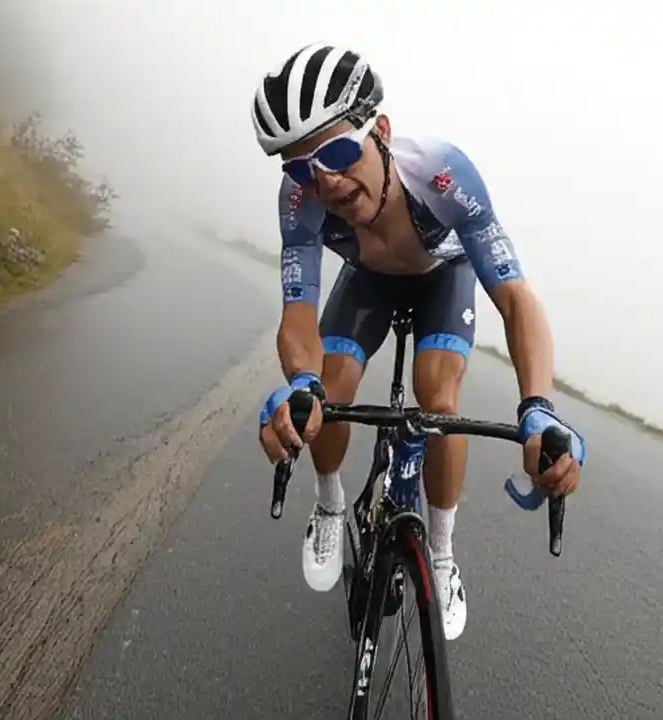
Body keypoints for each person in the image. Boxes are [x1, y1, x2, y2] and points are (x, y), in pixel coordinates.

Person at [251, 42, 587, 641]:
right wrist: (299, 384)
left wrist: (538, 407)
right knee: (330, 389)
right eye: (301, 167)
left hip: (442, 279)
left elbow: (515, 298)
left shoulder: (442, 173)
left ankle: (441, 550)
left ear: (379, 130)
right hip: (368, 284)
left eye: (337, 151)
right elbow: (297, 311)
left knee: (438, 399)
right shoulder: (300, 198)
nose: (323, 179)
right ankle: (329, 503)